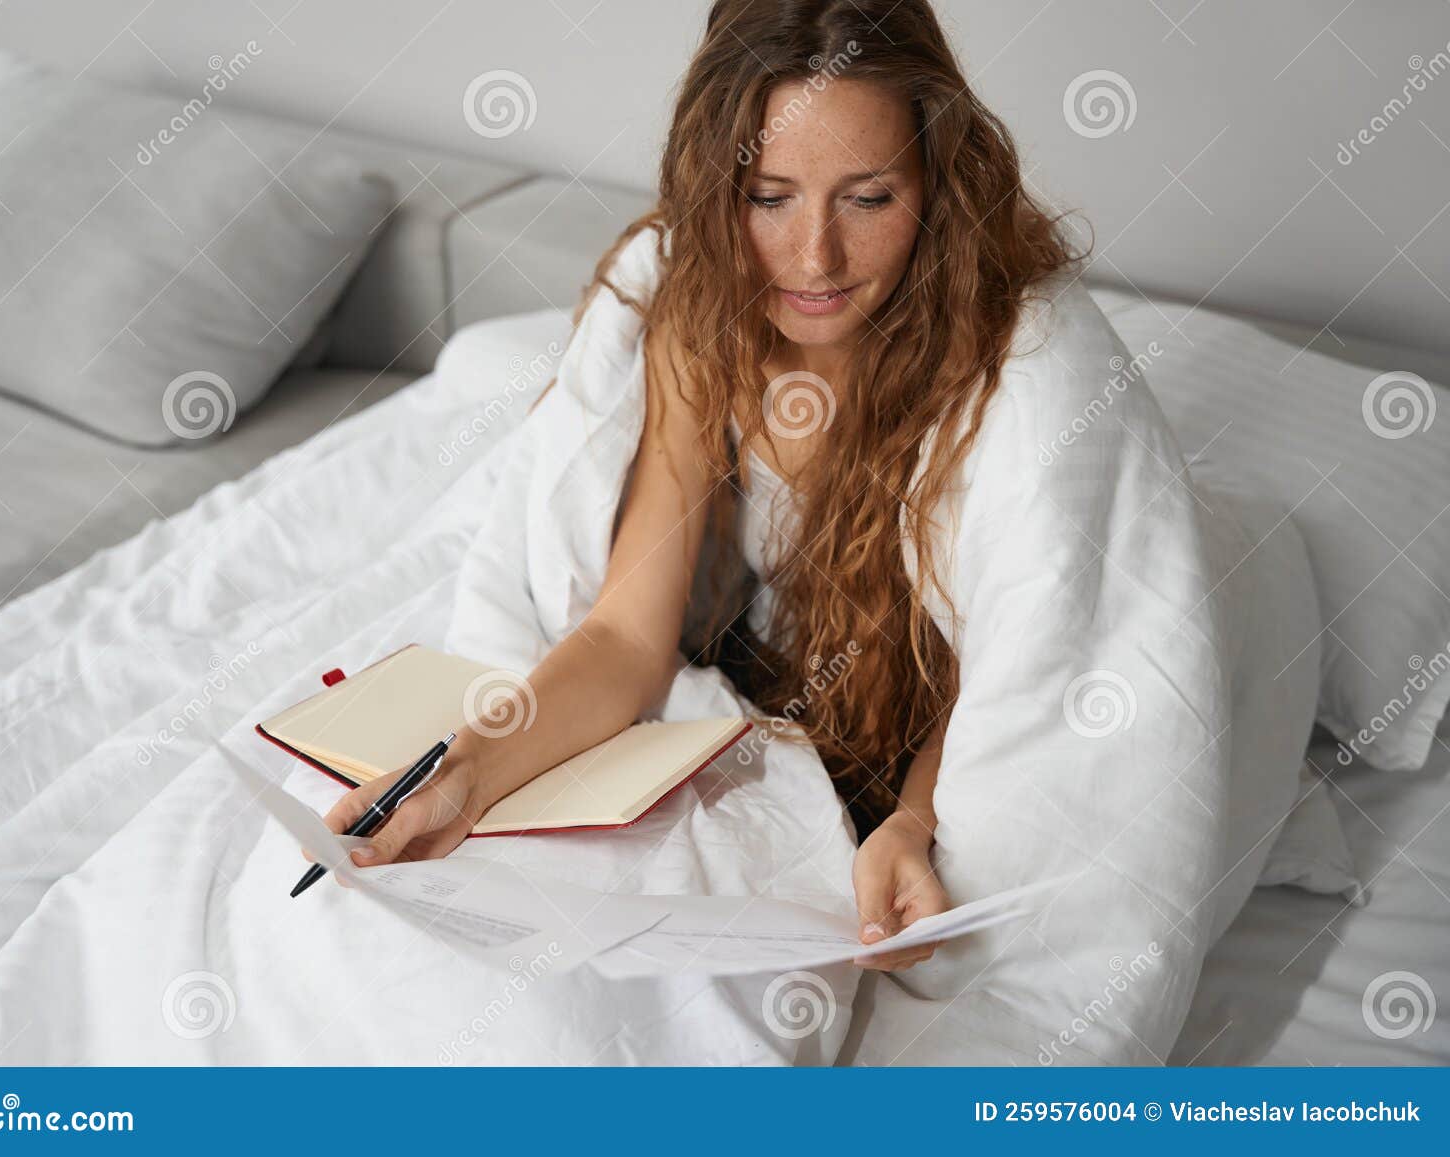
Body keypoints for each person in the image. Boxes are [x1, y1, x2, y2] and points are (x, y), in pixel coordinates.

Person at [324, 0, 1085, 971]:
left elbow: (1001, 660)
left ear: (935, 184)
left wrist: (912, 819)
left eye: (868, 198)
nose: (815, 258)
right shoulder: (702, 316)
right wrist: (461, 776)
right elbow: (626, 632)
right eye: (769, 197)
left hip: (918, 715)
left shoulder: (999, 363)